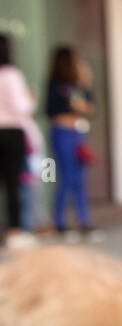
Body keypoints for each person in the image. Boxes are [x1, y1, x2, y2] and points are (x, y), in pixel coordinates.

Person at [45, 46, 98, 240]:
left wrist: (86, 81)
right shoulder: (56, 85)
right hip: (62, 132)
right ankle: (61, 222)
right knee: (66, 178)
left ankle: (84, 220)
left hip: (78, 132)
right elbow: (51, 110)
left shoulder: (79, 84)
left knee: (80, 178)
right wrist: (72, 108)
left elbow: (91, 107)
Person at [0, 34, 36, 246]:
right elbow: (22, 107)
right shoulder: (11, 75)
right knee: (13, 183)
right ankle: (15, 232)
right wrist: (31, 99)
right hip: (12, 132)